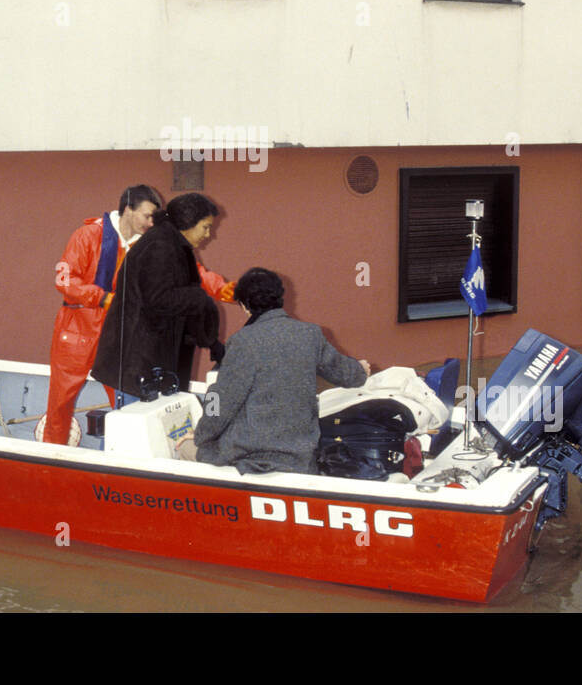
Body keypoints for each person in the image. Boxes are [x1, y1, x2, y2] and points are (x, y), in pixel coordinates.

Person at [177, 267, 370, 475]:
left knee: (182, 449)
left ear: (244, 306)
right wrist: (360, 369)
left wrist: (200, 435)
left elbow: (218, 399)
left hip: (251, 457)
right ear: (280, 297)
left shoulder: (241, 342)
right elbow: (347, 374)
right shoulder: (310, 334)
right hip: (301, 458)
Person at [43, 185, 163, 444]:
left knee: (128, 404)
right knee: (60, 404)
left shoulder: (147, 247)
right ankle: (51, 460)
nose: (152, 223)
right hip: (77, 330)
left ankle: (125, 461)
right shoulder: (86, 236)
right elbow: (64, 281)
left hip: (116, 334)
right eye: (147, 216)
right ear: (128, 210)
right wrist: (102, 297)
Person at [91, 193, 232, 400]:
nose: (209, 234)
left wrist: (211, 343)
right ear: (189, 223)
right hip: (138, 364)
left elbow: (188, 302)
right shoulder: (159, 247)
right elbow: (159, 300)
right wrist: (198, 298)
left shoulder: (175, 246)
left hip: (154, 362)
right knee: (138, 430)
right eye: (205, 227)